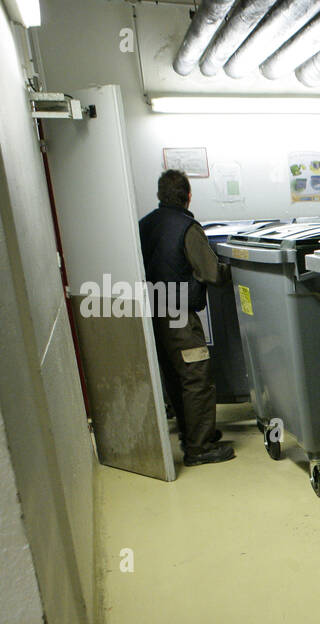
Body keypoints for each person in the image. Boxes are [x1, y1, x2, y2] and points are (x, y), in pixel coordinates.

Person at [138, 169, 234, 466]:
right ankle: (199, 448)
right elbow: (211, 273)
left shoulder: (144, 225)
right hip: (178, 317)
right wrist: (232, 268)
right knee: (196, 375)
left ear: (159, 196)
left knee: (175, 376)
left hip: (151, 312)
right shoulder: (187, 228)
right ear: (188, 196)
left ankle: (191, 433)